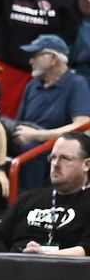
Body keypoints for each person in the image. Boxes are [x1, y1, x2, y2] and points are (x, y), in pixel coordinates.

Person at [12, 35, 90, 190]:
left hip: (55, 148)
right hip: (26, 142)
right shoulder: (32, 86)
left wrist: (39, 135)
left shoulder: (76, 84)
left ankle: (33, 199)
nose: (31, 61)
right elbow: (19, 123)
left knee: (30, 151)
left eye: (36, 55)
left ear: (53, 58)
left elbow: (82, 127)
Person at [0, 132, 90, 256]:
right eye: (53, 157)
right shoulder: (27, 198)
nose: (55, 164)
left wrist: (43, 257)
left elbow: (86, 250)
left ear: (86, 165)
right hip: (16, 267)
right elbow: (0, 241)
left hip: (65, 270)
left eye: (65, 158)